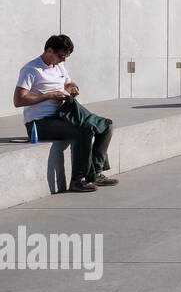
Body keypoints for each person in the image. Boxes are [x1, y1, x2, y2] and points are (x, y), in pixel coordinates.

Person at [12, 34, 117, 192]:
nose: (64, 60)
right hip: (40, 122)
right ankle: (78, 180)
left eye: (67, 56)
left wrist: (72, 88)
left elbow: (67, 83)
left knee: (106, 125)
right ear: (49, 50)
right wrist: (50, 95)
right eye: (61, 56)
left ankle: (96, 172)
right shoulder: (31, 69)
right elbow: (18, 101)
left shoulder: (59, 66)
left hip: (63, 114)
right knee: (84, 131)